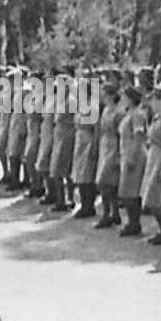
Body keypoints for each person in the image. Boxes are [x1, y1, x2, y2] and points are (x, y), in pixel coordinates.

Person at [140, 87, 161, 245]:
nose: (151, 103)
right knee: (153, 199)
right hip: (153, 157)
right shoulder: (156, 118)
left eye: (154, 99)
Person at [116, 85, 148, 236]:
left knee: (131, 191)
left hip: (134, 154)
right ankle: (132, 222)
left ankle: (135, 223)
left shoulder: (137, 115)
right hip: (126, 152)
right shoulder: (129, 114)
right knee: (126, 191)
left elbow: (138, 137)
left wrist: (132, 157)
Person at [71, 71, 100, 217]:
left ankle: (89, 205)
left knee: (87, 175)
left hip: (88, 141)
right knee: (79, 174)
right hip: (80, 139)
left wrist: (95, 147)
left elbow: (96, 129)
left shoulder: (92, 106)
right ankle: (83, 203)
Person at [93, 82, 123, 228]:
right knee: (107, 183)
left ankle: (109, 213)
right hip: (105, 145)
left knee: (106, 181)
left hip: (114, 146)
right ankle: (112, 213)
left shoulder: (118, 112)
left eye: (104, 94)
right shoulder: (106, 110)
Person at [49, 72, 77, 211]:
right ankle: (61, 199)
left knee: (64, 169)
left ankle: (68, 198)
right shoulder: (59, 100)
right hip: (59, 134)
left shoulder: (70, 101)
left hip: (67, 135)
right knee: (57, 169)